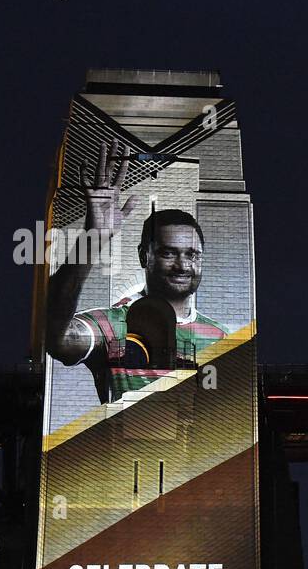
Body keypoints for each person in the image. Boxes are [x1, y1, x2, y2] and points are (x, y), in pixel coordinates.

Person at [45, 140, 228, 403]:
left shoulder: (220, 337)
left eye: (192, 254)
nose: (183, 265)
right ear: (144, 256)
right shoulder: (112, 325)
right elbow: (57, 339)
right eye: (168, 253)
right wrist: (93, 239)